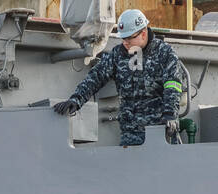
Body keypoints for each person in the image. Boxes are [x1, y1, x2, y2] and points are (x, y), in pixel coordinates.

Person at [53, 9, 184, 146]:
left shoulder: (164, 53)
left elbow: (173, 85)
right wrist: (76, 99)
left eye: (129, 38)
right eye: (123, 38)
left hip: (160, 134)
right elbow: (96, 77)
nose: (125, 43)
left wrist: (170, 114)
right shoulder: (118, 55)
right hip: (130, 136)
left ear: (143, 33)